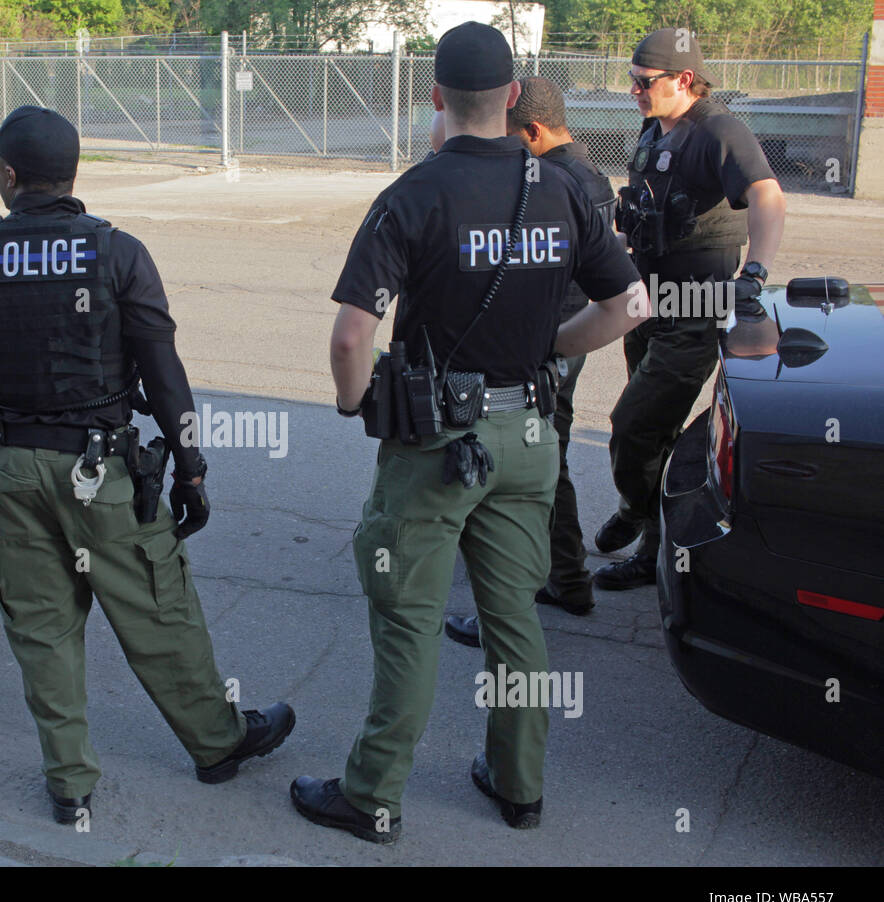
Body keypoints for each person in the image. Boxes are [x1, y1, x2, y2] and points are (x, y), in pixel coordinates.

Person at [289, 24, 648, 842]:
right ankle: (520, 787)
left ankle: (373, 796)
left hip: (438, 446)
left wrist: (354, 404)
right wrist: (553, 347)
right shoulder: (560, 187)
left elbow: (352, 337)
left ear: (436, 97)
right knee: (513, 618)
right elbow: (632, 307)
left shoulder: (413, 195)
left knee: (410, 619)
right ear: (515, 98)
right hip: (528, 436)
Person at [0, 105, 295, 824]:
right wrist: (190, 466)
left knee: (42, 627)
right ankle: (217, 744)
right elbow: (164, 372)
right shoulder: (118, 252)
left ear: (8, 176)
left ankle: (68, 783)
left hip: (11, 467)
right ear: (70, 175)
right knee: (158, 609)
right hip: (99, 472)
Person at [594, 27, 786, 589]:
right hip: (646, 305)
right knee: (653, 432)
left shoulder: (719, 129)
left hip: (693, 310)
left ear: (684, 79)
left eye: (643, 81)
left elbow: (767, 194)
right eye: (631, 80)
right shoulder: (655, 129)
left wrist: (755, 271)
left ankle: (637, 513)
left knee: (632, 427)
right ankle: (653, 544)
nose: (633, 90)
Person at [444, 75, 617, 647]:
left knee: (520, 475)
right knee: (551, 459)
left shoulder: (553, 181)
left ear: (534, 131)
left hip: (547, 344)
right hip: (570, 335)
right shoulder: (591, 174)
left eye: (514, 138)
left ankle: (520, 596)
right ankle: (568, 578)